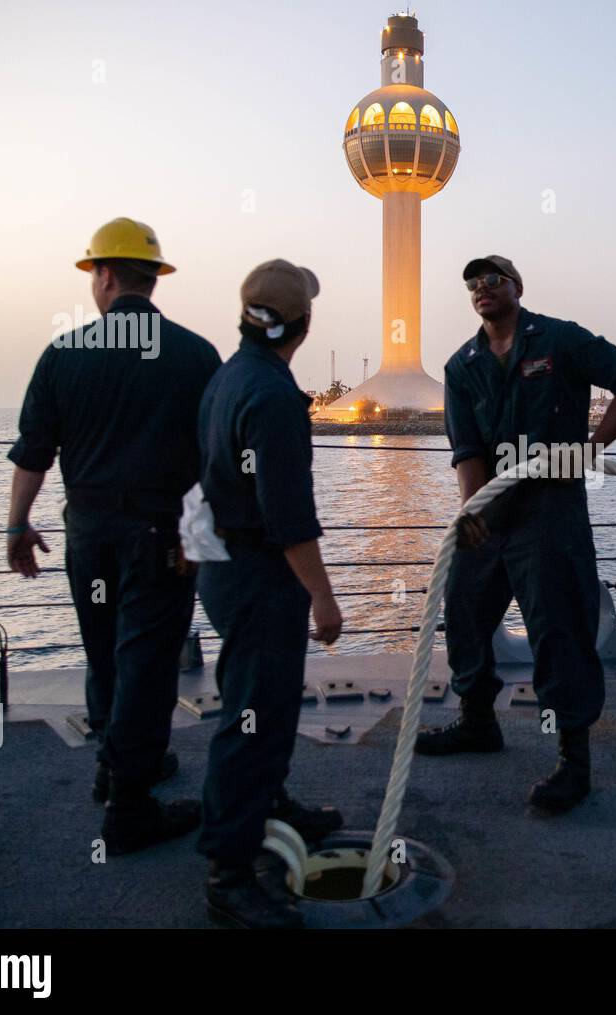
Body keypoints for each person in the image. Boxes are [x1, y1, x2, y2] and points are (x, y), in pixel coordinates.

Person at [6, 217, 220, 851]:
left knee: (103, 652)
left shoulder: (63, 353)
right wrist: (197, 541)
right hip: (162, 534)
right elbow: (212, 463)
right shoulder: (195, 354)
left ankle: (116, 766)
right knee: (147, 663)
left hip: (88, 532)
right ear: (153, 279)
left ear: (101, 276)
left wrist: (17, 525)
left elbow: (33, 453)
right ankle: (130, 805)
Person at [415, 255, 616, 814]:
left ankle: (574, 760)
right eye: (473, 283)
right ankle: (477, 723)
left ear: (517, 287)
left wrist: (590, 450)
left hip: (550, 510)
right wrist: (471, 512)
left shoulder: (559, 340)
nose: (481, 289)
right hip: (491, 512)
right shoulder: (461, 364)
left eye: (493, 280)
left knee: (559, 628)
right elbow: (466, 448)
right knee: (466, 612)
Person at [195, 259, 346, 929]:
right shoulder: (276, 398)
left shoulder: (227, 377)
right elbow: (288, 518)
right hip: (260, 575)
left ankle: (272, 803)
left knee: (261, 703)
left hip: (222, 564)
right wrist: (324, 598)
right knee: (253, 714)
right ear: (305, 324)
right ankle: (228, 873)